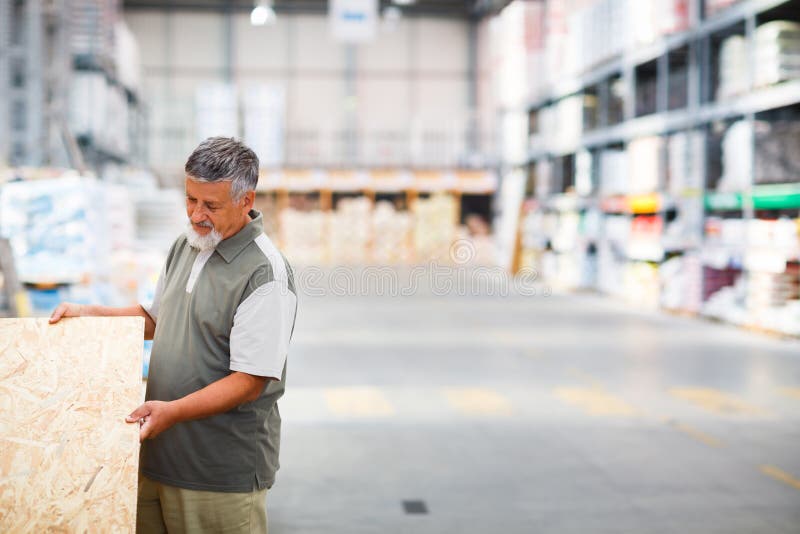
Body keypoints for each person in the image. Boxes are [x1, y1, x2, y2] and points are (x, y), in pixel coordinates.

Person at [50, 137, 298, 533]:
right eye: (190, 199)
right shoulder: (188, 245)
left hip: (217, 473)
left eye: (210, 205)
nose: (197, 214)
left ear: (246, 200)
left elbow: (250, 381)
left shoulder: (264, 274)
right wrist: (92, 314)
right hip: (159, 457)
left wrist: (172, 411)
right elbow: (158, 319)